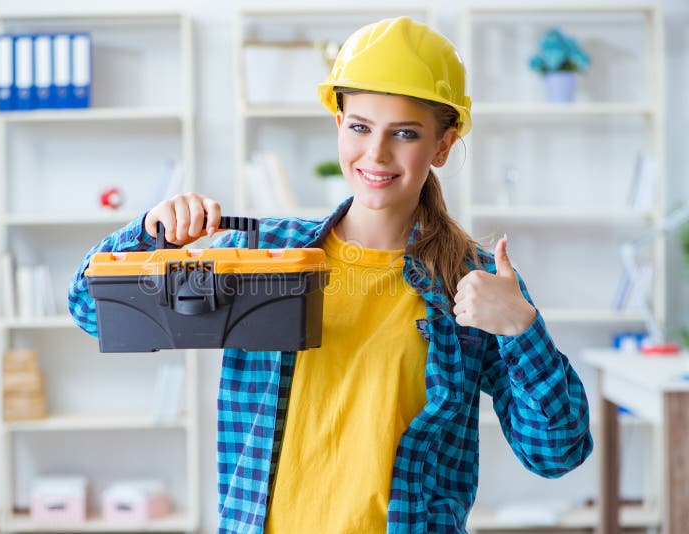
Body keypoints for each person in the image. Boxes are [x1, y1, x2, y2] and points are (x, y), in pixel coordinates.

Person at [69, 16, 593, 534]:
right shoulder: (264, 252)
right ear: (338, 125)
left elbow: (557, 454)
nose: (376, 153)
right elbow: (89, 310)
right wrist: (149, 234)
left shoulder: (474, 283)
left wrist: (524, 333)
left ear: (442, 145)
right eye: (360, 126)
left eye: (405, 133)